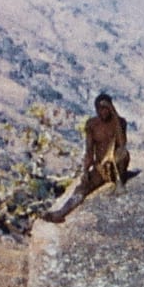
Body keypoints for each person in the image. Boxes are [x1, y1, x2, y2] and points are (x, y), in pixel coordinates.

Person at [42, 93, 130, 222]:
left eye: (106, 108)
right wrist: (85, 171)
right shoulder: (92, 125)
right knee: (82, 188)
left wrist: (114, 113)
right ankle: (61, 213)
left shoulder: (119, 122)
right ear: (96, 109)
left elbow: (122, 143)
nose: (103, 112)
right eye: (100, 109)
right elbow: (89, 150)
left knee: (123, 154)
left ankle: (119, 182)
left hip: (116, 166)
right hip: (101, 168)